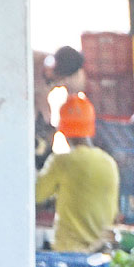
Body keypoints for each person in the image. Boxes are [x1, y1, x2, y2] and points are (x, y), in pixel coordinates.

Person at [34, 94, 120, 253]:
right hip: (100, 251)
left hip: (69, 253)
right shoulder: (109, 163)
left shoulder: (62, 161)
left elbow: (36, 195)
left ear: (64, 131)